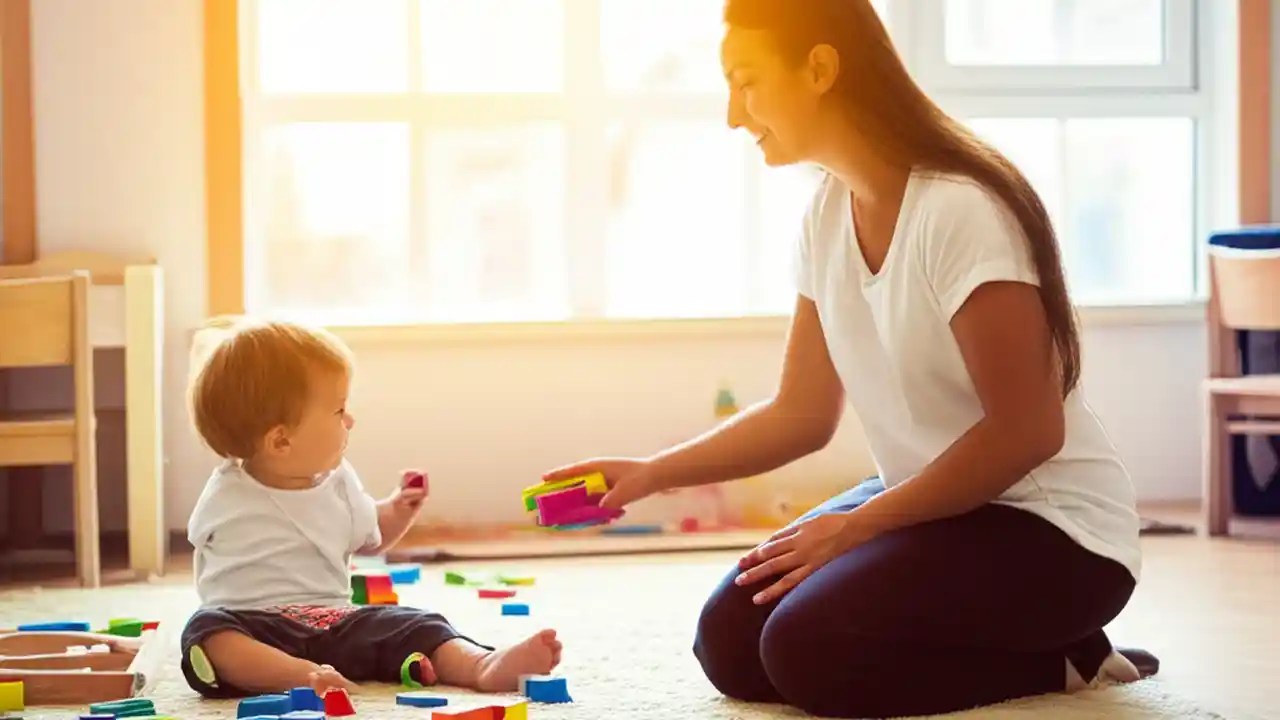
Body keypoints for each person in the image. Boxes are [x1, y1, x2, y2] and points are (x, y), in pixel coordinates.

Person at [542, 0, 1156, 717]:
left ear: (821, 68)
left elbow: (1029, 431)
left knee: (809, 650)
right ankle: (1014, 643)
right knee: (731, 644)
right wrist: (651, 475)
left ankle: (1068, 657)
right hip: (939, 505)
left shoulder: (960, 209)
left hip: (1057, 535)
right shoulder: (827, 216)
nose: (734, 115)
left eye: (746, 81)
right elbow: (800, 414)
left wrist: (861, 525)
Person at [180, 318, 561, 698]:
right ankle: (300, 676)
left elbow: (372, 536)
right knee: (206, 634)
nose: (350, 420)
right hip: (254, 628)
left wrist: (399, 509)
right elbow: (202, 551)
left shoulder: (340, 483)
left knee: (416, 623)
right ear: (281, 441)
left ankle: (480, 664)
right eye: (338, 410)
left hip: (336, 622)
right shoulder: (227, 491)